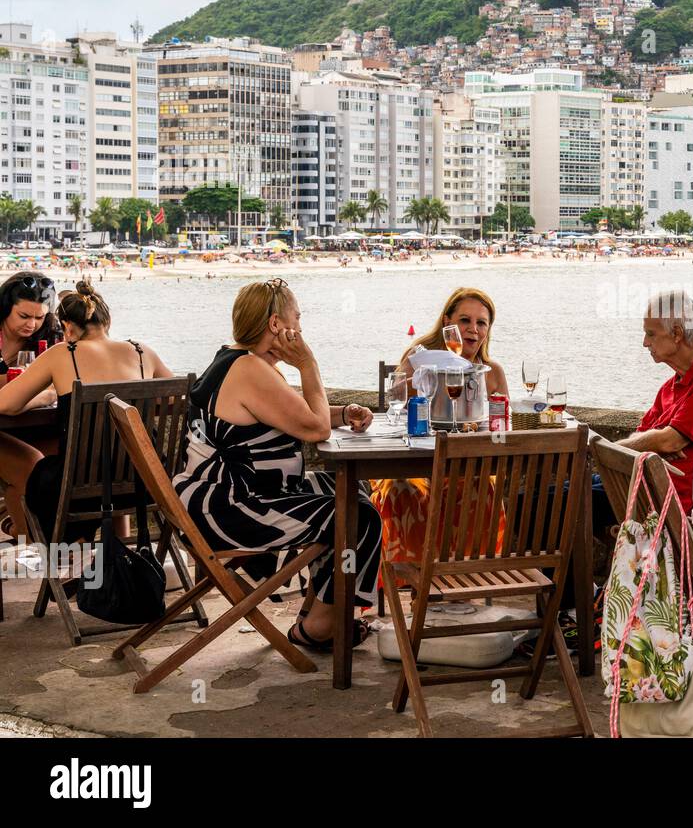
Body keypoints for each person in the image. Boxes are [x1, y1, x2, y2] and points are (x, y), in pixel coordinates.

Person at [172, 278, 382, 651]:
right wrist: (308, 363)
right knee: (359, 516)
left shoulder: (235, 361)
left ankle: (317, 608)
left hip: (214, 497)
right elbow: (313, 428)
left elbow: (294, 416)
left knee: (346, 488)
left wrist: (342, 413)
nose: (300, 328)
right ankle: (321, 625)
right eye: (297, 319)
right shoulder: (250, 370)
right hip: (230, 508)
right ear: (276, 325)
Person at [0, 281, 170, 542]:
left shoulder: (62, 353)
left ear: (67, 327)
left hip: (80, 490)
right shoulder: (141, 351)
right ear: (108, 321)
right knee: (107, 456)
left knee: (42, 477)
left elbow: (6, 404)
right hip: (147, 482)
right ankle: (113, 554)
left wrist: (46, 395)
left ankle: (34, 538)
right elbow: (170, 400)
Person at [376, 287, 507, 577]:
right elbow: (393, 412)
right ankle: (412, 581)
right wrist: (412, 376)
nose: (472, 329)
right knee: (401, 488)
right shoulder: (420, 359)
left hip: (469, 466)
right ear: (448, 322)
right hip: (413, 463)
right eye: (464, 320)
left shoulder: (492, 372)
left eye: (481, 323)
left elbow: (504, 430)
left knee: (482, 488)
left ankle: (463, 578)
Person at [610, 290, 693, 516]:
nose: (645, 342)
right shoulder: (669, 387)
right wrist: (653, 443)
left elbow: (669, 442)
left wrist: (613, 449)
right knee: (555, 495)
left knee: (564, 499)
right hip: (645, 490)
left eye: (651, 334)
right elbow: (645, 438)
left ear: (676, 333)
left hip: (669, 506)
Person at [0, 271, 61, 368]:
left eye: (39, 317)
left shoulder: (52, 338)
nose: (31, 325)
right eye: (24, 316)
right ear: (5, 307)